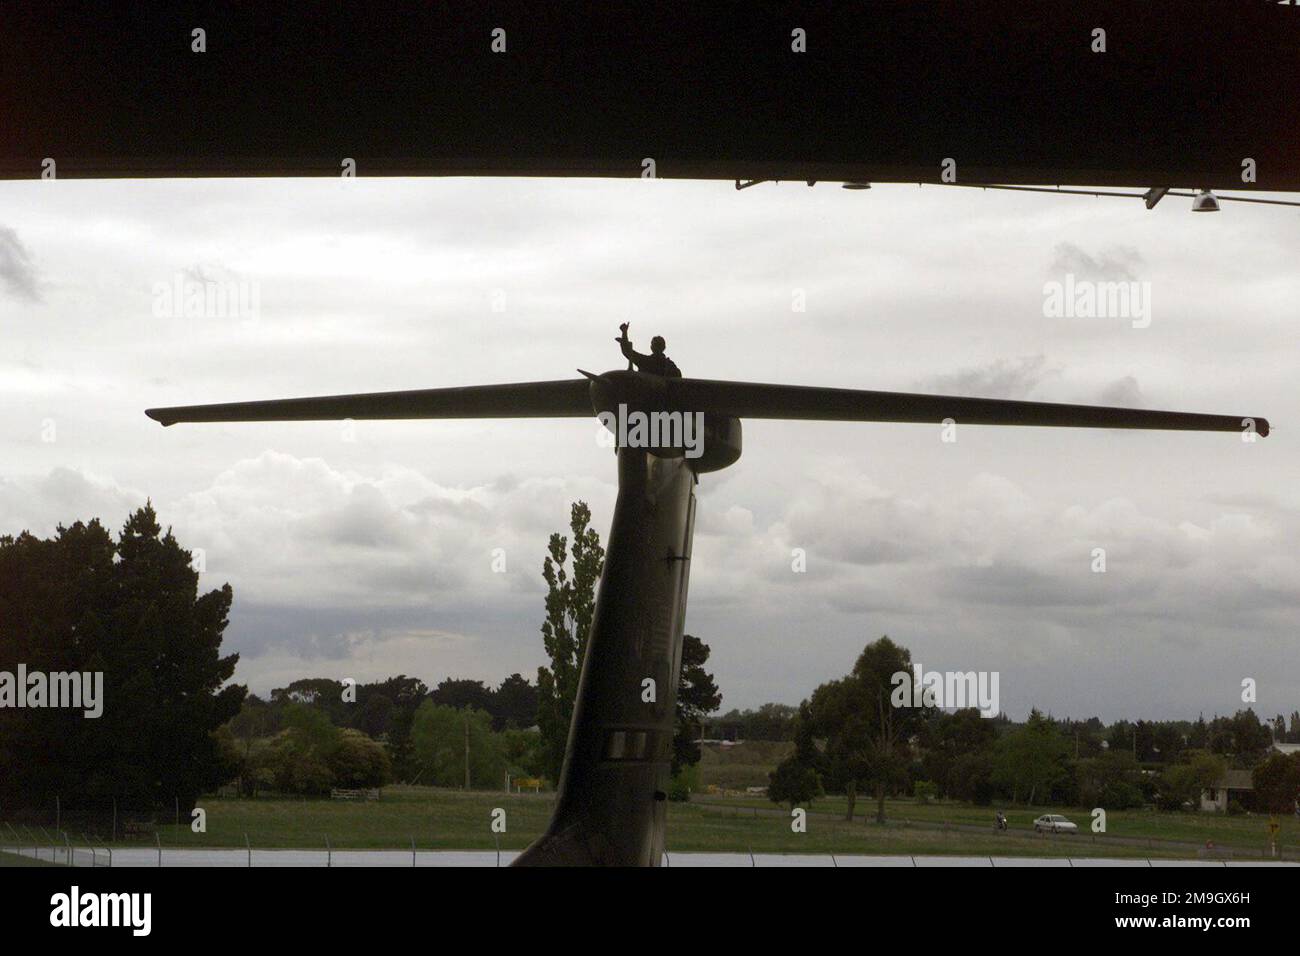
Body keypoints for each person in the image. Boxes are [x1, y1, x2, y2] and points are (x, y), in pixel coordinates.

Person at [616, 323, 682, 377]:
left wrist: (624, 333)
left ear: (651, 347)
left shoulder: (646, 362)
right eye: (656, 344)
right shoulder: (670, 365)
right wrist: (624, 334)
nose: (657, 347)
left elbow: (628, 351)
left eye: (657, 344)